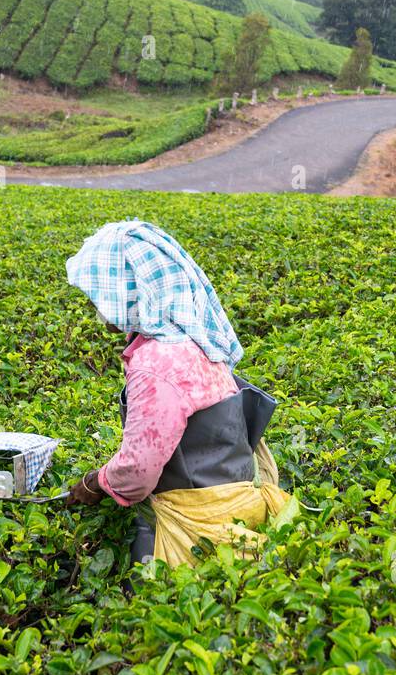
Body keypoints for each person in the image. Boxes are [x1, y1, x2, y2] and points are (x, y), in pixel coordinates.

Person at [62, 220, 291, 568]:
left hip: (197, 528)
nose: (97, 305)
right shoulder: (194, 340)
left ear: (131, 292)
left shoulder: (156, 365)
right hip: (237, 508)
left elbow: (138, 472)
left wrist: (94, 483)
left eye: (102, 293)